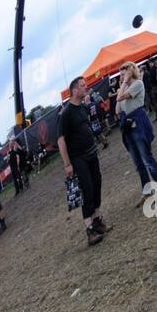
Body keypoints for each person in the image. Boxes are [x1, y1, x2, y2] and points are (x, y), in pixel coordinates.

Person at [57, 77, 108, 247]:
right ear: (74, 91)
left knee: (97, 184)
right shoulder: (66, 113)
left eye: (85, 85)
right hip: (78, 159)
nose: (86, 87)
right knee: (87, 189)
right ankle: (90, 230)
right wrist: (67, 164)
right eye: (82, 85)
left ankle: (97, 221)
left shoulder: (83, 108)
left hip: (92, 153)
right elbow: (61, 140)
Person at [114, 61, 157, 203]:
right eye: (121, 74)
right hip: (128, 127)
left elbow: (119, 98)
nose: (121, 77)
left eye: (124, 73)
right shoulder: (124, 88)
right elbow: (117, 111)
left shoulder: (138, 84)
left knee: (147, 158)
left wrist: (123, 85)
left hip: (138, 124)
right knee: (138, 163)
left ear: (131, 72)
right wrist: (121, 87)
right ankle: (147, 191)